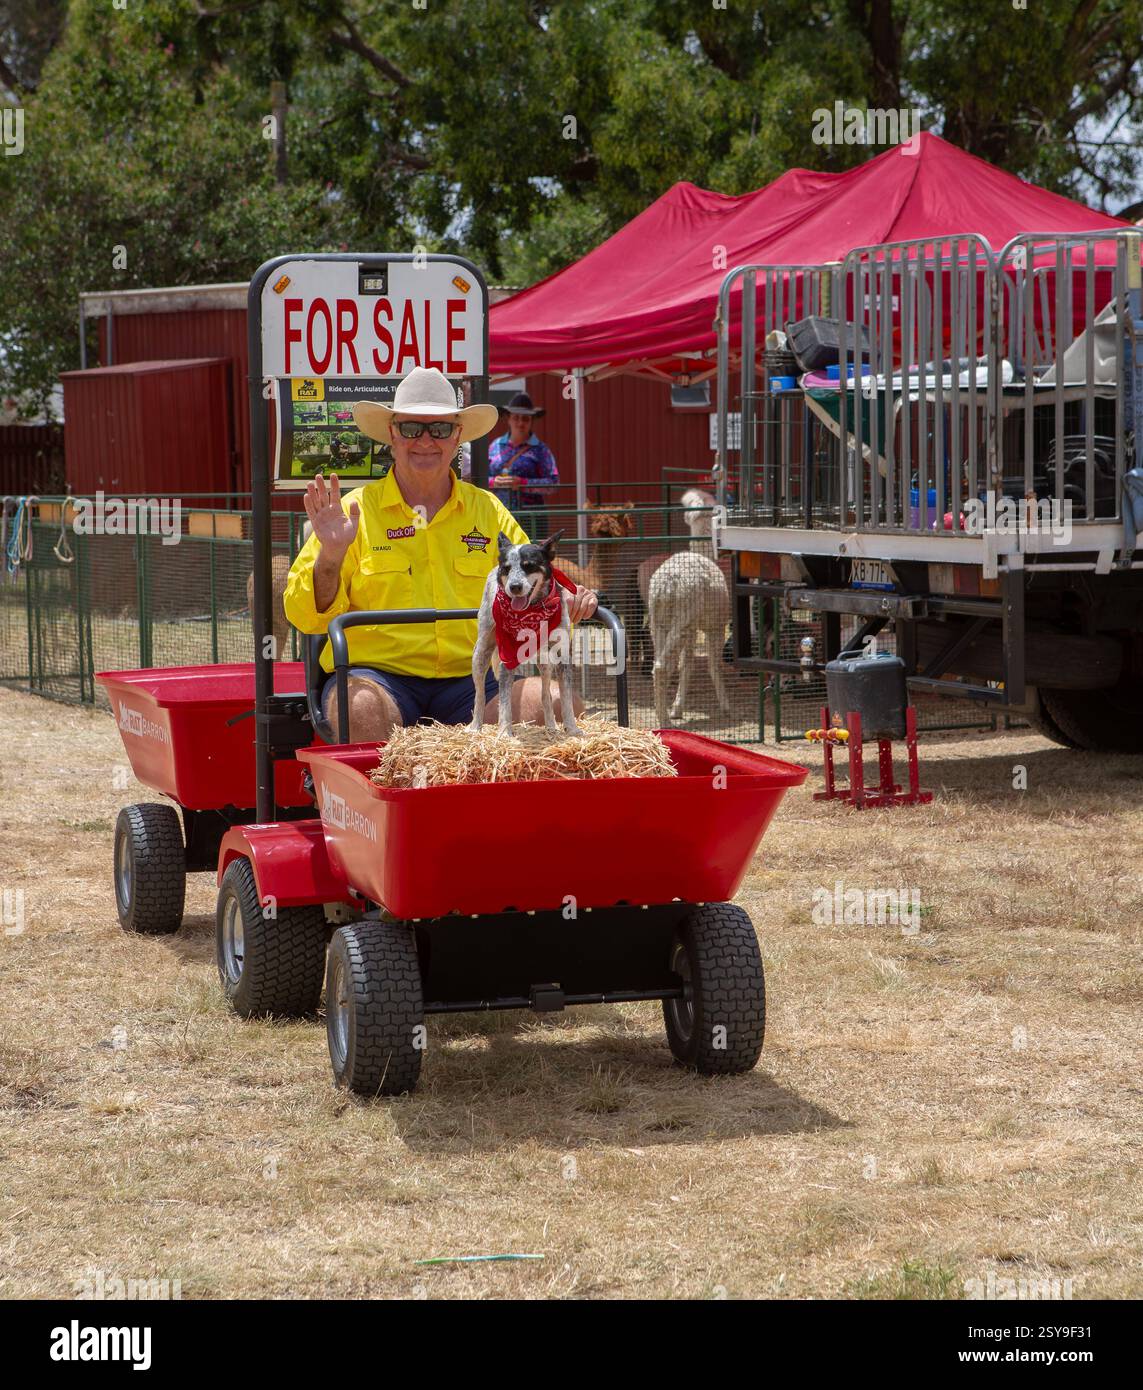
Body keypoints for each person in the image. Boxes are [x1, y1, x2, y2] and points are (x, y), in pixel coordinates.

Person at [283, 366, 597, 742]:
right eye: (412, 428)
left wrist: (569, 599)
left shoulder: (489, 511)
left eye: (441, 428)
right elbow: (304, 616)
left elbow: (535, 588)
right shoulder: (354, 513)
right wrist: (331, 557)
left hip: (475, 677)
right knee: (360, 708)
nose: (426, 440)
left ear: (457, 437)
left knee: (563, 704)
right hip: (377, 675)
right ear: (392, 434)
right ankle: (382, 802)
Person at [488, 391, 559, 512]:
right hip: (498, 514)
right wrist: (494, 482)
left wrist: (523, 483)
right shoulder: (495, 446)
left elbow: (553, 483)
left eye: (525, 419)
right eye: (516, 418)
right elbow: (480, 477)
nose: (520, 423)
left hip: (531, 518)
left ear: (531, 422)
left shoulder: (541, 450)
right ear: (508, 419)